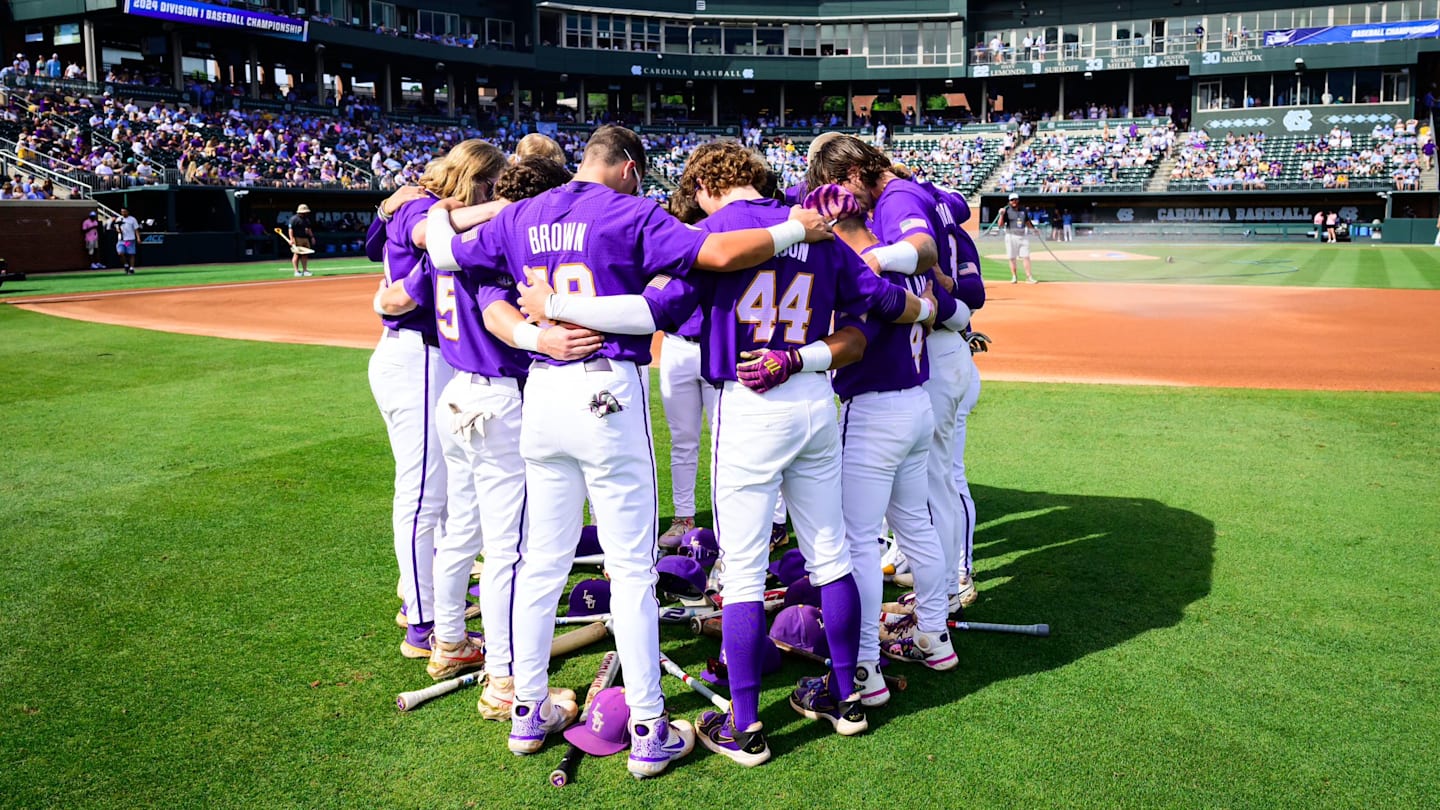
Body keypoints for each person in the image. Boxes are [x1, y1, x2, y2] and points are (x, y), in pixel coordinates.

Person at [428, 124, 831, 777]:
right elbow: (714, 256)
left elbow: (446, 252)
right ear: (627, 167)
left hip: (542, 389)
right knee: (632, 570)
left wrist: (441, 212)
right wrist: (793, 230)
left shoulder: (521, 214)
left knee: (540, 565)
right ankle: (648, 726)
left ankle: (527, 710)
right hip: (606, 391)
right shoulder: (631, 210)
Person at [378, 156, 602, 715]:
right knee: (509, 550)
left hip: (456, 391)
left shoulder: (448, 241)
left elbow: (395, 298)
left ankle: (449, 641)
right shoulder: (499, 241)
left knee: (461, 530)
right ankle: (505, 683)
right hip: (500, 398)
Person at [806, 135, 965, 682]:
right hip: (916, 401)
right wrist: (925, 308)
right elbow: (936, 298)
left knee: (859, 540)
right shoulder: (897, 246)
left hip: (873, 409)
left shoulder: (862, 259)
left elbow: (867, 305)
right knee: (916, 525)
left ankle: (866, 667)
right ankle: (934, 636)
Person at [998, 193, 1036, 283]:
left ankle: (1029, 277)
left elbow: (1027, 222)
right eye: (1012, 200)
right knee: (1012, 257)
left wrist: (1033, 230)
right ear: (1009, 201)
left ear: (1018, 200)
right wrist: (1001, 215)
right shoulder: (1006, 211)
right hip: (1011, 236)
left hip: (1022, 236)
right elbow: (1000, 225)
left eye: (1015, 200)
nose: (1014, 202)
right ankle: (1014, 276)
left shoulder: (1023, 210)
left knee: (1026, 256)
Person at [289, 204, 315, 276]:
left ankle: (305, 270)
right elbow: (290, 230)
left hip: (305, 238)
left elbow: (309, 229)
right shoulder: (294, 219)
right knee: (297, 254)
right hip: (297, 238)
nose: (306, 213)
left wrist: (312, 237)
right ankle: (296, 271)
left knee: (305, 254)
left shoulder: (306, 219)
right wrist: (291, 239)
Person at [114, 208, 141, 274]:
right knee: (120, 253)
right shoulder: (119, 219)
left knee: (130, 253)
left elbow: (136, 229)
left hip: (129, 240)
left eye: (124, 211)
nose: (123, 213)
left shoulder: (132, 219)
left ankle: (131, 268)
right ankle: (126, 264)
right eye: (122, 211)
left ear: (128, 212)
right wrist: (119, 230)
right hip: (121, 240)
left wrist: (138, 238)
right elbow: (116, 228)